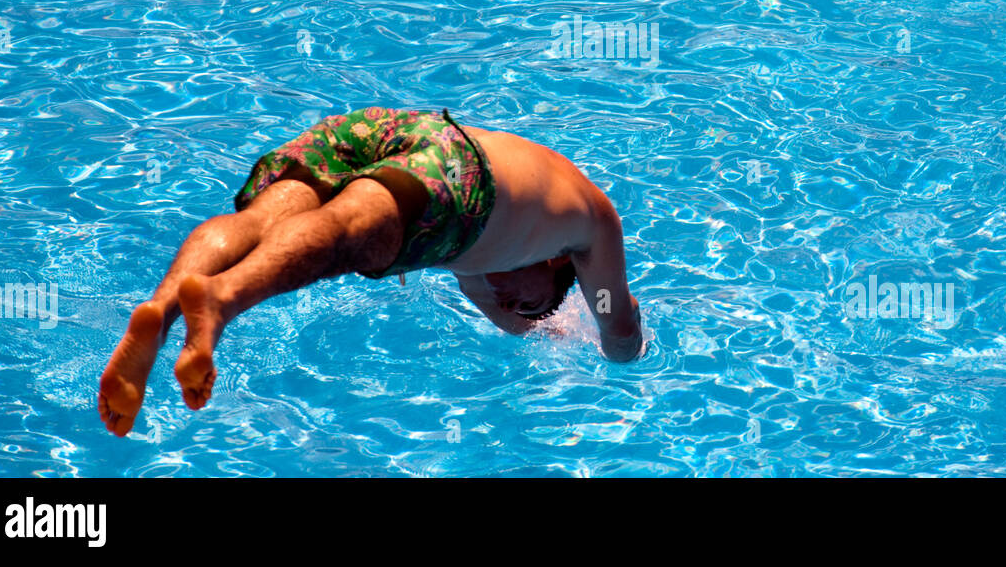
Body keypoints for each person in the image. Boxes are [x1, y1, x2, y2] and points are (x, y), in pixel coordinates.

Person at [98, 107, 643, 437]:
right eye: (528, 300)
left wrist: (547, 327)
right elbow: (614, 320)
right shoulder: (588, 234)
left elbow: (524, 324)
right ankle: (220, 301)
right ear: (556, 264)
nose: (509, 305)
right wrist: (630, 362)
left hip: (386, 128)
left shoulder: (493, 267)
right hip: (459, 170)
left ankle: (159, 313)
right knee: (343, 232)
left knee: (265, 218)